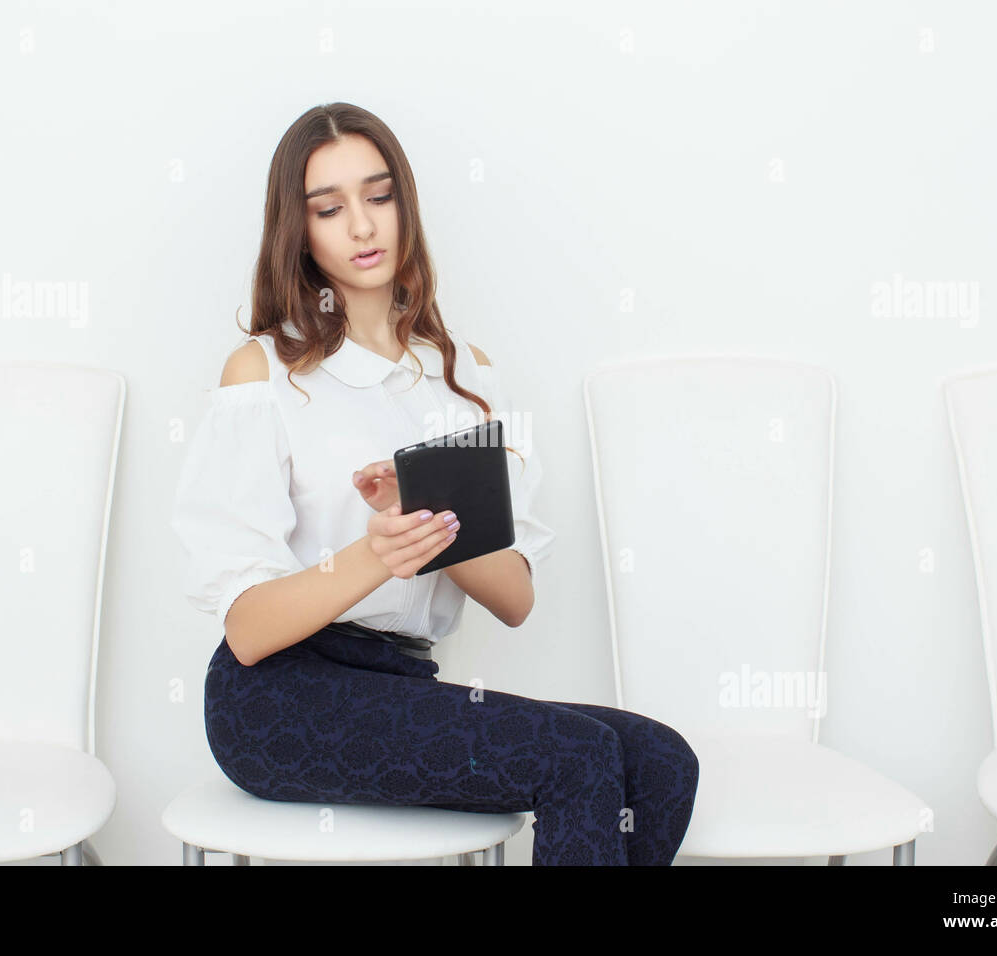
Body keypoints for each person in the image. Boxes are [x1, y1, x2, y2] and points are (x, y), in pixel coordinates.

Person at [170, 102, 698, 865]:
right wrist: (375, 553)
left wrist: (431, 522)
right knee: (579, 757)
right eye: (330, 207)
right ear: (300, 229)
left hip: (398, 685)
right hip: (276, 697)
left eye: (378, 197)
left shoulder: (465, 377)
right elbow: (249, 631)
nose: (362, 226)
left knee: (662, 761)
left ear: (404, 205)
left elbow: (515, 600)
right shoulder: (262, 374)